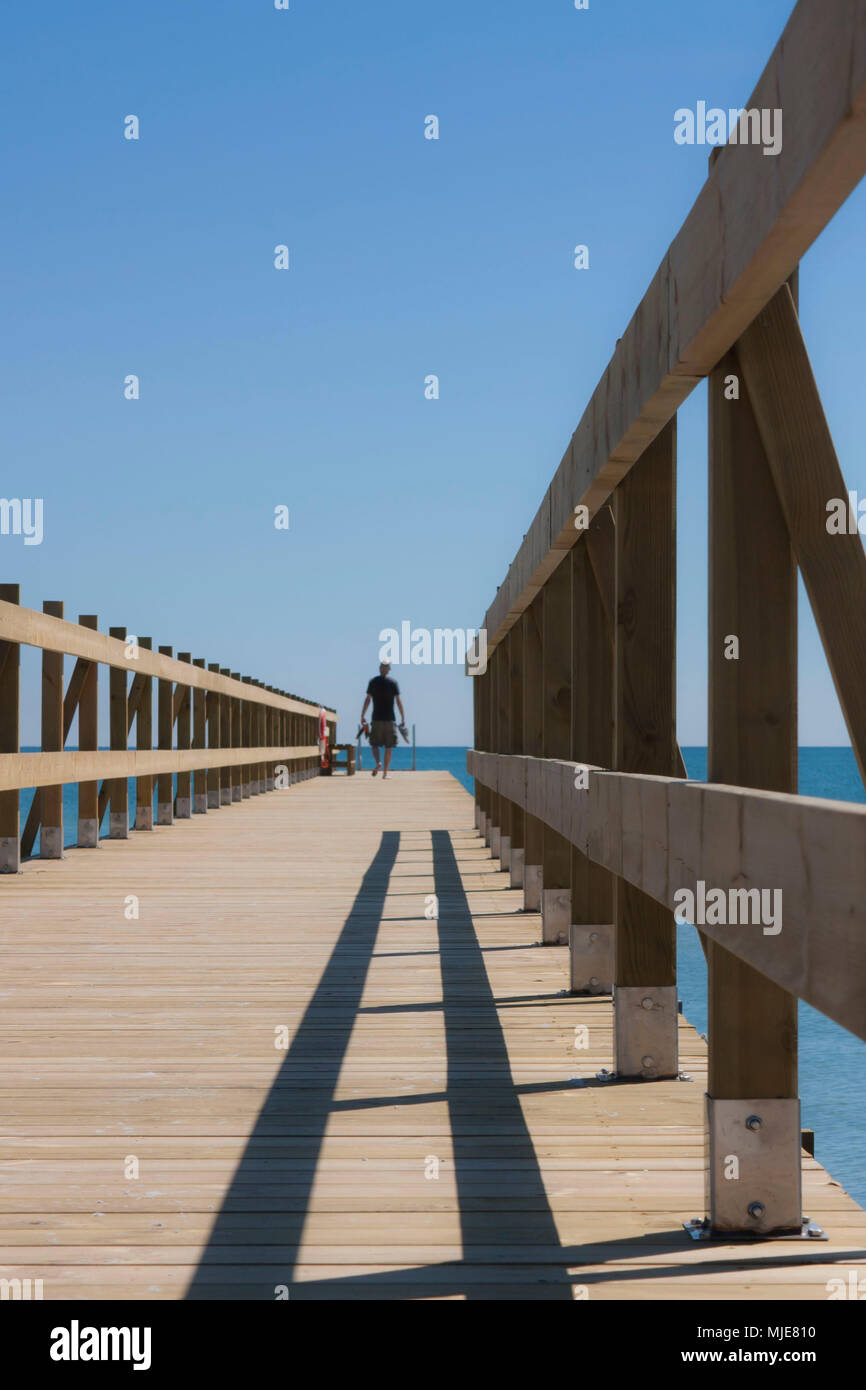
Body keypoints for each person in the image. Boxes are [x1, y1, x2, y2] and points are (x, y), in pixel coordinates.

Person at [361, 662, 405, 779]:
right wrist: (403, 717)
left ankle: (378, 762)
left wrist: (363, 715)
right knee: (388, 747)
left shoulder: (373, 682)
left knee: (374, 744)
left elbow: (368, 699)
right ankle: (385, 773)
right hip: (390, 719)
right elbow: (398, 701)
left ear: (380, 669)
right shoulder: (393, 683)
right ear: (389, 669)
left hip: (376, 718)